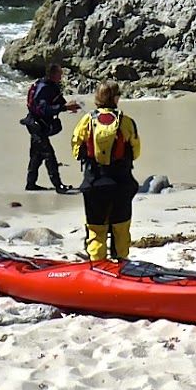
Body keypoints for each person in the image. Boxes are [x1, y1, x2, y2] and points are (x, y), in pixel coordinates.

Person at [71, 80, 142, 261]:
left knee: (96, 230)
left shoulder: (87, 121)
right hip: (121, 184)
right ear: (115, 98)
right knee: (121, 229)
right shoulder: (126, 122)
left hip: (94, 183)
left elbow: (76, 150)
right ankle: (121, 266)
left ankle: (98, 268)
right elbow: (136, 153)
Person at [22, 64, 81, 192]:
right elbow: (43, 109)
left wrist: (69, 106)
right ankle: (58, 185)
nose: (62, 76)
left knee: (36, 155)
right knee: (49, 155)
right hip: (36, 125)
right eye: (60, 73)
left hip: (38, 125)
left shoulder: (51, 85)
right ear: (53, 74)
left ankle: (30, 184)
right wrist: (64, 108)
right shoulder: (43, 88)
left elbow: (58, 100)